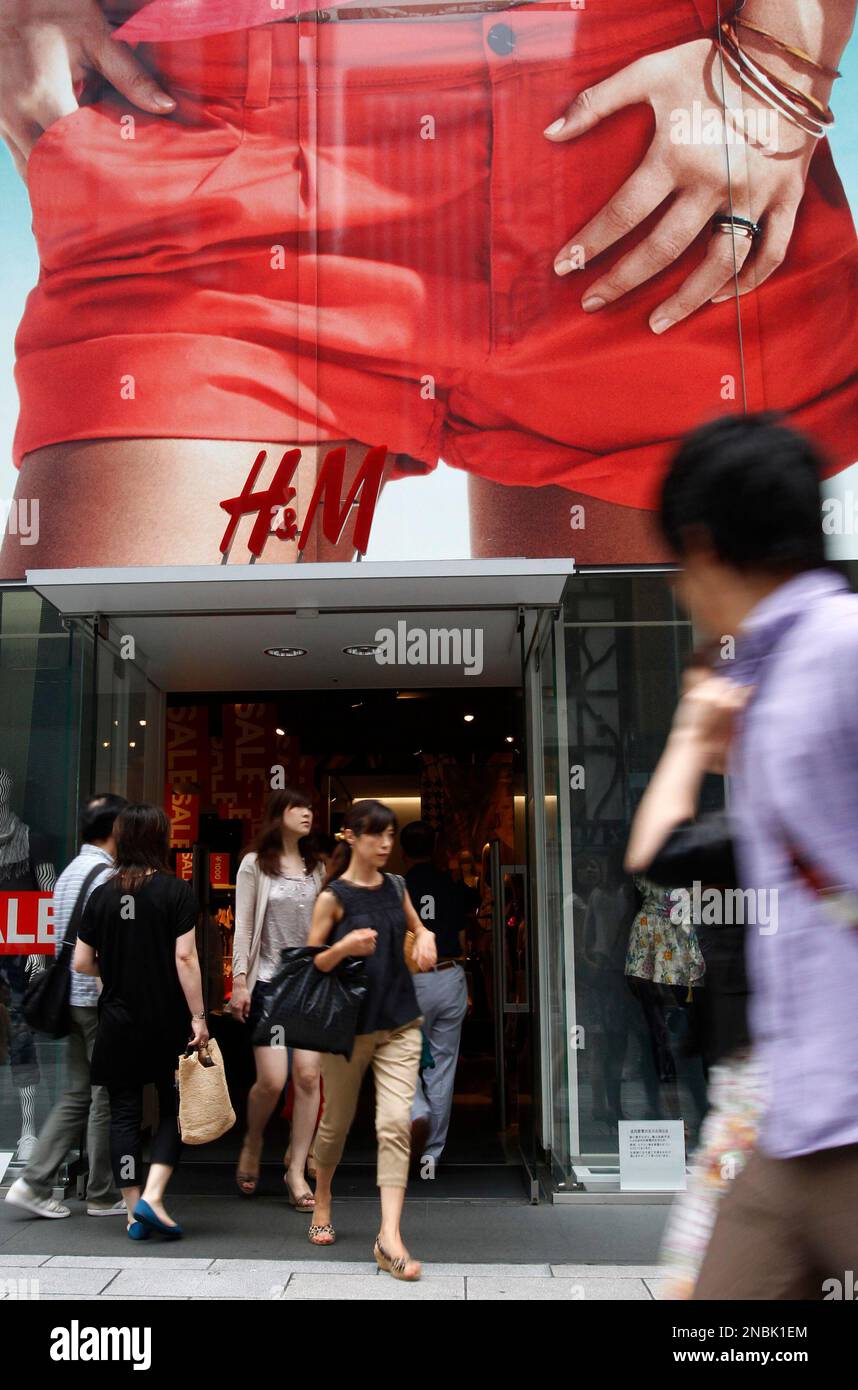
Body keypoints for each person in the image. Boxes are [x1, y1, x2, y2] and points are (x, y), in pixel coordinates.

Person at [1, 0, 856, 575]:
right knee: (99, 747)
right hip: (217, 138)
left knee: (667, 790)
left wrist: (786, 53)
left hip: (634, 133)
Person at [658, 412, 858, 1300]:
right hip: (796, 1122)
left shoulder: (840, 651)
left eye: (673, 562)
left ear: (702, 547)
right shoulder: (771, 677)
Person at [625, 654, 763, 1299]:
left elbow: (653, 850)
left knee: (703, 1285)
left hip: (772, 1093)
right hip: (776, 1091)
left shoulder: (766, 822)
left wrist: (690, 730)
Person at [306, 799, 436, 1277]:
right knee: (336, 1124)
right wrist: (343, 946)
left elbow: (418, 928)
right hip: (347, 1028)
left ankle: (390, 1237)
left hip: (400, 1023)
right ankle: (322, 1200)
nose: (385, 844)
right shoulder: (333, 897)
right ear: (351, 837)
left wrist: (424, 936)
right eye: (376, 834)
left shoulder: (397, 886)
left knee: (394, 1125)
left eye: (390, 835)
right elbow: (310, 963)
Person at [72, 803, 208, 1240]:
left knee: (124, 1113)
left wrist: (115, 969)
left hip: (117, 1021)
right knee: (173, 1110)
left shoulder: (103, 894)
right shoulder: (176, 891)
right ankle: (154, 1194)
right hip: (166, 1022)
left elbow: (80, 962)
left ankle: (133, 1212)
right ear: (160, 840)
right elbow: (185, 957)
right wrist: (199, 1018)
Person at [5, 793, 128, 1221]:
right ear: (115, 829)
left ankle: (35, 1181)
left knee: (79, 1092)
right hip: (95, 997)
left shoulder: (72, 871)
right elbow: (109, 945)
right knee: (103, 1094)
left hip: (71, 999)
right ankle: (100, 1192)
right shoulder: (106, 876)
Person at [230, 788, 324, 1208]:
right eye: (297, 808)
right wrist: (239, 981)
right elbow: (244, 928)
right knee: (272, 1080)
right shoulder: (255, 865)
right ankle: (253, 1140)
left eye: (309, 809)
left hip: (310, 985)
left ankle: (295, 1169)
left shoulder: (317, 867)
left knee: (308, 1077)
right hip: (268, 982)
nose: (307, 814)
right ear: (277, 815)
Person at [400, 820, 468, 1170]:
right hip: (449, 973)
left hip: (412, 980)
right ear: (435, 847)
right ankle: (432, 1152)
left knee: (403, 1058)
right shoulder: (448, 882)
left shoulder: (399, 886)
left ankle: (417, 1113)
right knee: (442, 1066)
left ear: (401, 850)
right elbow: (463, 921)